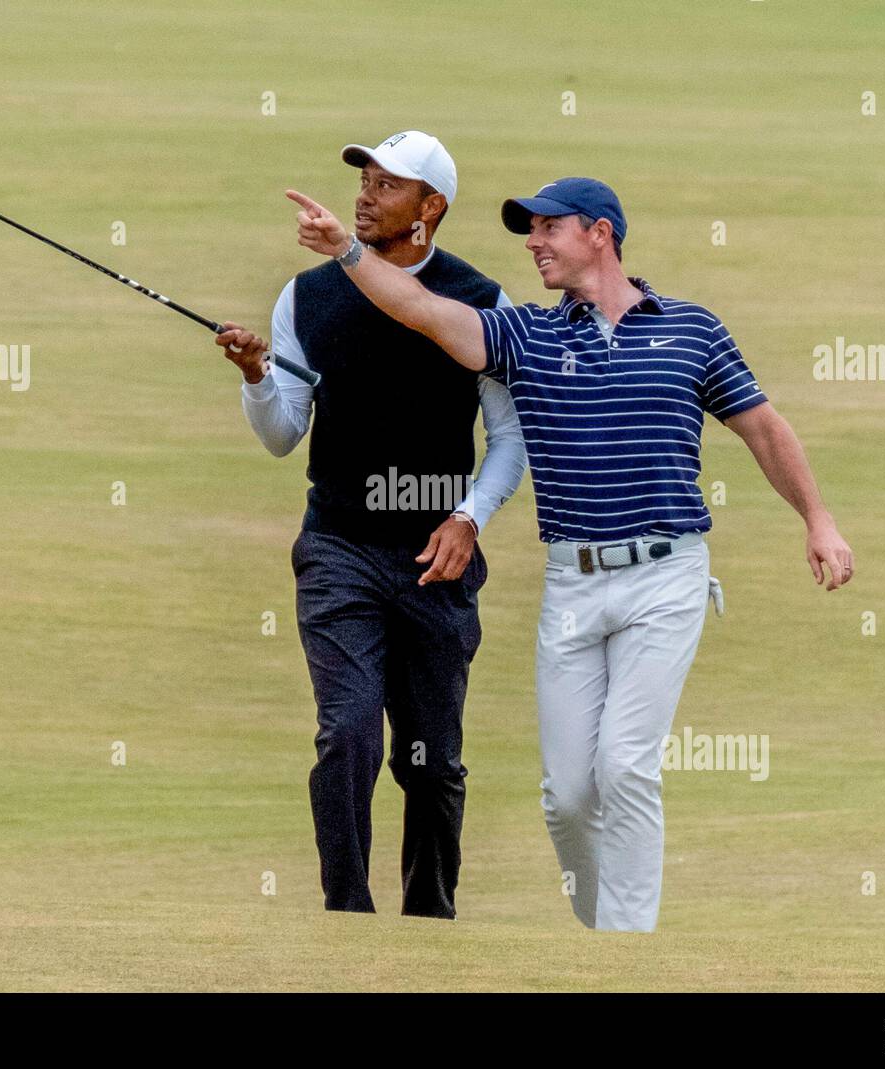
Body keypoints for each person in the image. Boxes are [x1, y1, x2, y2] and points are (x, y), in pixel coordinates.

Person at [284, 176, 855, 932]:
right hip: (573, 586)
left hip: (667, 574)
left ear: (599, 233)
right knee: (568, 797)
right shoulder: (528, 335)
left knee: (624, 766)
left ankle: (625, 949)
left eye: (548, 228)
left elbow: (765, 430)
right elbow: (422, 309)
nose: (533, 243)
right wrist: (350, 252)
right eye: (530, 230)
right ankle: (598, 934)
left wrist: (818, 518)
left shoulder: (692, 330)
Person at [214, 132, 526, 919]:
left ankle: (429, 918)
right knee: (347, 735)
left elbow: (510, 438)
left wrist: (469, 518)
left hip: (436, 561)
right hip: (339, 548)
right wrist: (256, 377)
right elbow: (283, 434)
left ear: (431, 207)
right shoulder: (307, 297)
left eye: (388, 186)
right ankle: (347, 913)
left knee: (432, 762)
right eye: (365, 181)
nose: (365, 195)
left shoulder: (482, 301)